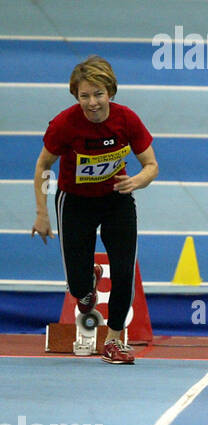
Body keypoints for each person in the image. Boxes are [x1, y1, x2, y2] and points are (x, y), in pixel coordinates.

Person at [31, 57, 159, 364]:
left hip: (117, 199)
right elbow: (43, 165)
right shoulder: (64, 124)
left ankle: (114, 341)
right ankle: (86, 283)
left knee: (125, 271)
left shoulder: (127, 120)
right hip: (75, 202)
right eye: (84, 96)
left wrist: (137, 181)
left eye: (98, 94)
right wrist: (42, 213)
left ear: (110, 92)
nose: (92, 103)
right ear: (76, 96)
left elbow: (151, 165)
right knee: (79, 290)